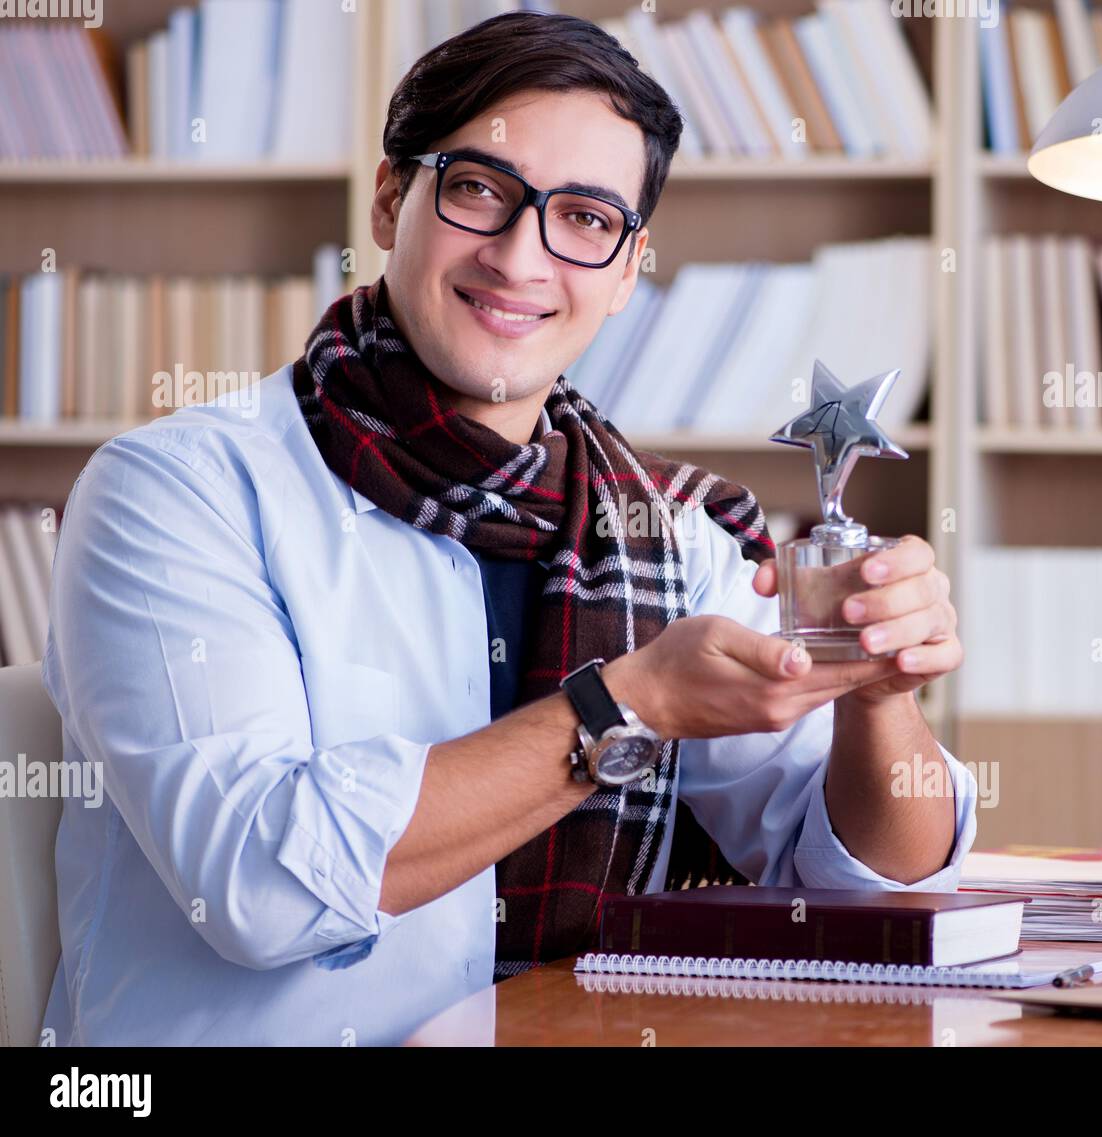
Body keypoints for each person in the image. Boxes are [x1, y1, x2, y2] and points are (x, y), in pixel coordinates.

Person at [41, 11, 975, 1046]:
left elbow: (871, 881)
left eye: (584, 218)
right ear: (393, 199)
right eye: (480, 189)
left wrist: (880, 698)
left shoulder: (661, 535)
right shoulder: (173, 492)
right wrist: (624, 707)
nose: (522, 257)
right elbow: (260, 883)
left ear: (627, 270)